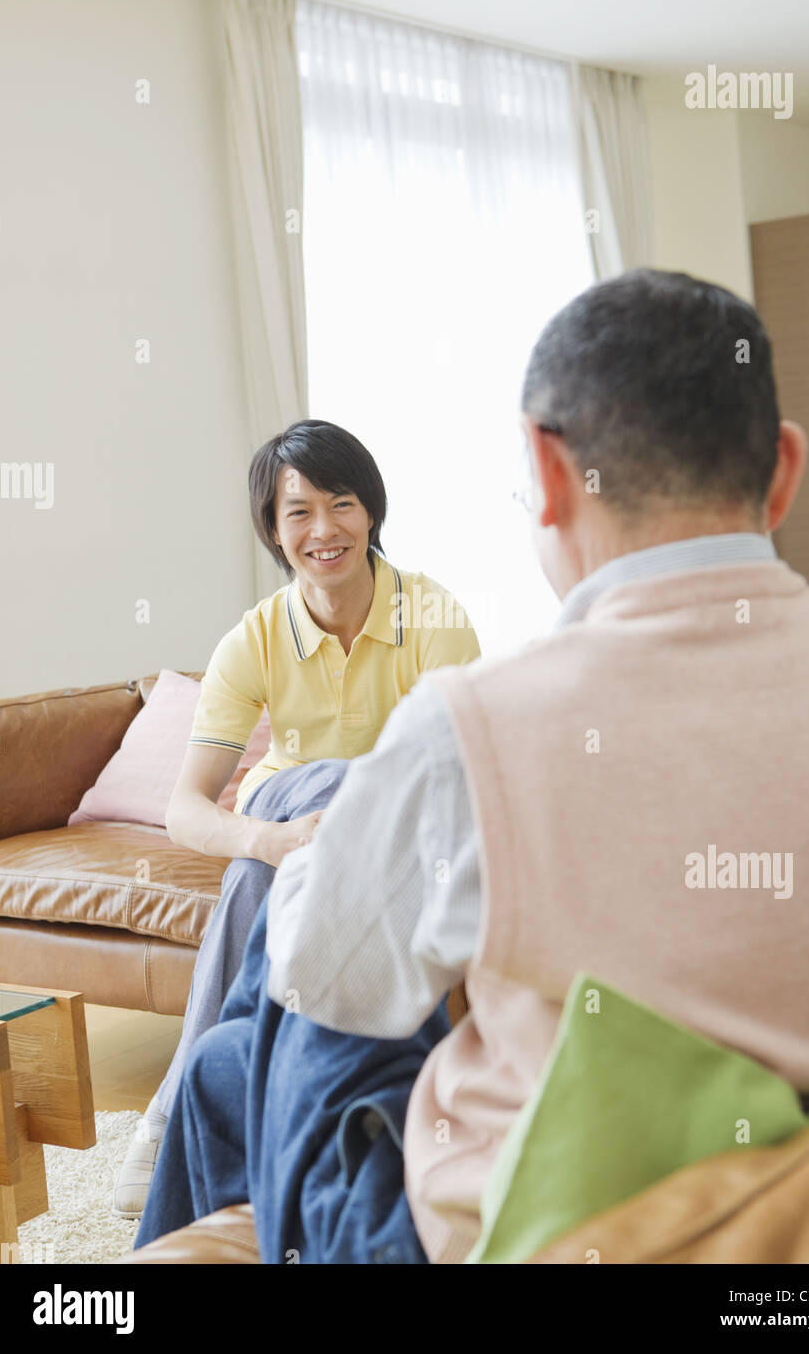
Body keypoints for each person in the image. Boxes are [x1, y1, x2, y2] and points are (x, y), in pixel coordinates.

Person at [131, 270, 809, 1263]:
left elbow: (326, 984)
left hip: (544, 1223)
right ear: (785, 468)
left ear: (547, 471)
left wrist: (331, 864)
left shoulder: (470, 725)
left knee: (287, 987)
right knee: (231, 1055)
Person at [112, 419, 480, 1218]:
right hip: (290, 824)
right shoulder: (254, 639)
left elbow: (454, 777)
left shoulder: (435, 618)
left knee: (340, 794)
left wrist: (343, 818)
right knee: (277, 840)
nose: (324, 530)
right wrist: (270, 839)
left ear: (371, 513)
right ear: (274, 534)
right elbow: (186, 806)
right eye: (298, 512)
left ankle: (181, 1104)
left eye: (341, 504)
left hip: (400, 835)